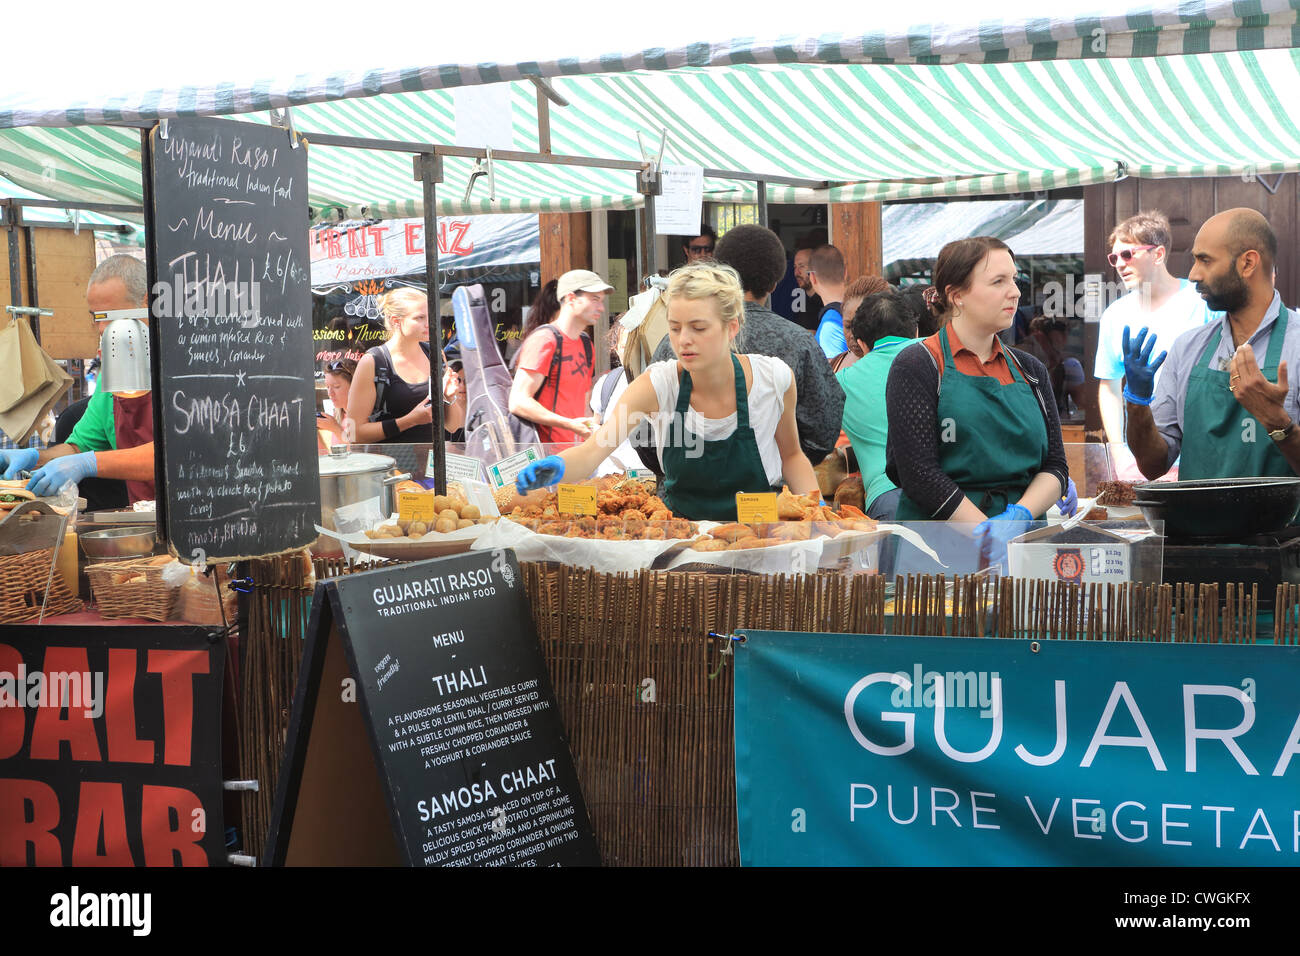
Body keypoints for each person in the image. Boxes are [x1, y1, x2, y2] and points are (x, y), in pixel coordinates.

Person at [515, 262, 819, 519]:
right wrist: (557, 466)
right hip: (682, 546)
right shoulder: (657, 386)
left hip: (761, 539)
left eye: (698, 328)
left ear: (732, 327)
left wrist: (816, 509)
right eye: (674, 328)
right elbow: (594, 451)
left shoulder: (773, 379)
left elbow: (792, 456)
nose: (683, 340)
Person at [885, 237, 1070, 548]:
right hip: (940, 547)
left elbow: (1056, 465)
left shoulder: (1031, 370)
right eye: (998, 281)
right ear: (957, 295)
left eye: (1014, 279)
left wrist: (1020, 515)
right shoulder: (919, 365)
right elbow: (918, 473)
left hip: (1023, 542)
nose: (1015, 291)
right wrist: (985, 534)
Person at [1125, 208, 1300, 480]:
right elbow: (1152, 465)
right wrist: (1137, 404)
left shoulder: (1296, 344)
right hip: (1195, 522)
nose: (1193, 274)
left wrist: (1277, 421)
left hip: (1281, 523)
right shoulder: (1188, 348)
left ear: (1247, 263)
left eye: (1205, 260)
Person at [652, 225, 845, 466]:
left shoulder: (676, 342)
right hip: (773, 493)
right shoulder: (799, 343)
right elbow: (823, 433)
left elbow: (646, 435)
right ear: (775, 283)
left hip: (681, 492)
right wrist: (779, 458)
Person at [0, 257, 156, 504]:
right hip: (146, 521)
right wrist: (33, 457)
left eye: (113, 316)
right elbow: (78, 447)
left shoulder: (183, 366)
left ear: (148, 303)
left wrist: (88, 463)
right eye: (96, 317)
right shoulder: (113, 372)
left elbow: (177, 455)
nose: (103, 328)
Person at [1094, 211, 1213, 472]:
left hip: (1202, 456)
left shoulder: (1203, 303)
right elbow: (1109, 386)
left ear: (1158, 255)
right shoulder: (1115, 315)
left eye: (1128, 254)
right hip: (1143, 456)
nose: (1120, 264)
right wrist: (1120, 455)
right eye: (1114, 257)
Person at [838, 288, 921, 521]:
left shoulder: (843, 381)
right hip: (955, 496)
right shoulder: (941, 355)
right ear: (915, 331)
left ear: (862, 344)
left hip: (888, 498)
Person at [509, 269, 610, 445]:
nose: (601, 307)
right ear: (571, 299)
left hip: (574, 458)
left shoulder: (586, 344)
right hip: (543, 461)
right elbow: (518, 401)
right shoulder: (544, 340)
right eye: (595, 299)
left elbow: (582, 405)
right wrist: (569, 424)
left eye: (601, 301)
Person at [347, 288, 434, 444]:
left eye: (429, 316)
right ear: (396, 321)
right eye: (420, 318)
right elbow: (354, 434)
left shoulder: (435, 355)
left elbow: (453, 425)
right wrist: (410, 420)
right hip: (390, 465)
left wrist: (452, 396)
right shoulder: (373, 361)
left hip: (434, 464)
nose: (428, 323)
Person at [589, 321, 641, 475]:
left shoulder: (663, 383)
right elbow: (595, 430)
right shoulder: (606, 384)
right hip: (611, 480)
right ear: (616, 349)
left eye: (637, 346)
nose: (632, 354)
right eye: (626, 347)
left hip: (650, 482)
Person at [1016, 316, 1087, 416]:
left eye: (1067, 330)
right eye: (1061, 328)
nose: (1065, 335)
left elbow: (1083, 402)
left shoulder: (1069, 364)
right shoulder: (1024, 356)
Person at [832, 275, 891, 373]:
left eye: (862, 325)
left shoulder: (896, 366)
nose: (853, 335)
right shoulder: (835, 363)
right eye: (848, 326)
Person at [808, 244, 849, 358]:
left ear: (812, 277)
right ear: (845, 272)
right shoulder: (862, 309)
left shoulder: (830, 325)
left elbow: (834, 374)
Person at [316, 358, 356, 453]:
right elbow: (327, 456)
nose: (330, 393)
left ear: (354, 385)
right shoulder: (339, 415)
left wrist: (336, 429)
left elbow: (359, 453)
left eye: (336, 387)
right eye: (327, 387)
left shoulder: (364, 417)